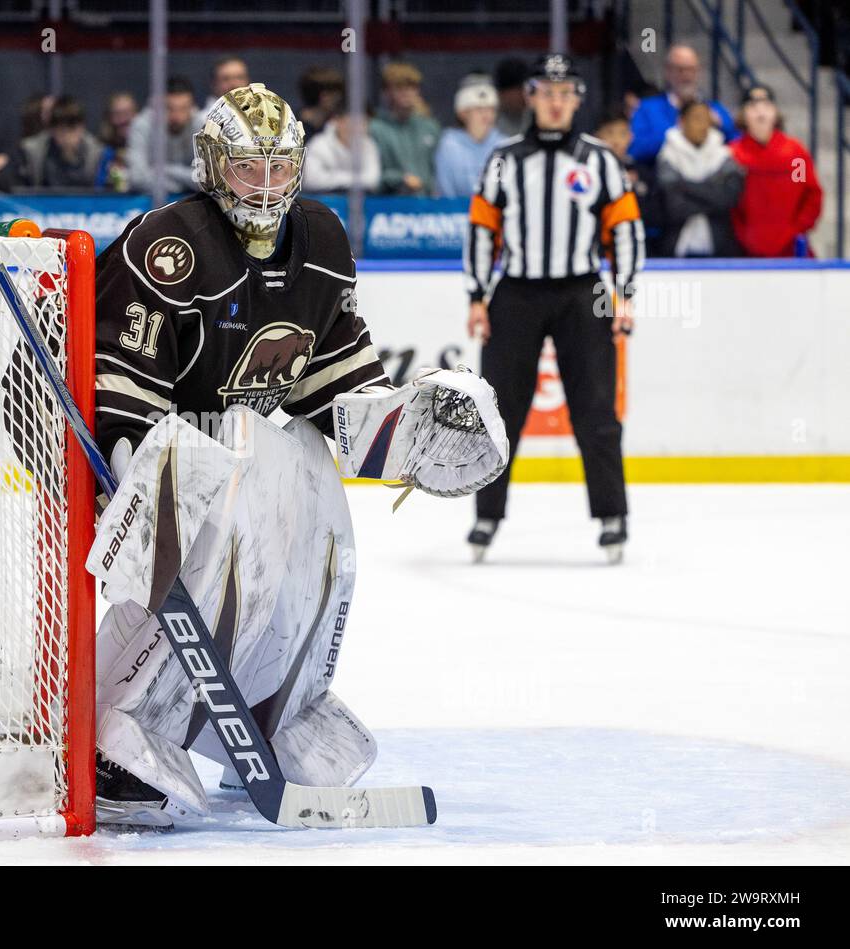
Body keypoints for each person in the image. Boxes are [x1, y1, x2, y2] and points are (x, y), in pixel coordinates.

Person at [89, 82, 505, 827]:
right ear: (213, 167)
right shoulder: (169, 244)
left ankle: (277, 707)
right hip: (125, 451)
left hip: (219, 448)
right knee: (215, 471)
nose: (269, 186)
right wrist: (130, 479)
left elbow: (333, 377)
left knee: (307, 478)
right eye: (251, 169)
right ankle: (117, 726)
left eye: (282, 168)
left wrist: (404, 429)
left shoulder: (320, 239)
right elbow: (116, 386)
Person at [464, 53, 644, 561]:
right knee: (498, 412)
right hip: (516, 294)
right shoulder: (503, 159)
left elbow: (625, 228)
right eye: (548, 92)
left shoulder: (600, 159)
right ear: (532, 97)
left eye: (567, 94)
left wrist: (625, 293)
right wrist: (477, 296)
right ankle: (486, 516)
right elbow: (482, 229)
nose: (558, 102)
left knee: (596, 410)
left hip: (582, 293)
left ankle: (612, 516)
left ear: (577, 101)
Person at [729, 84, 822, 257]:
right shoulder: (732, 155)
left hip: (790, 249)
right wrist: (742, 234)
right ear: (743, 114)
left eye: (766, 105)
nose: (760, 112)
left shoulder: (795, 154)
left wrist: (795, 229)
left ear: (775, 112)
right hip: (744, 251)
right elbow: (726, 204)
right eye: (753, 106)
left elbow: (810, 195)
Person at [654, 99, 744, 257]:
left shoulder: (724, 156)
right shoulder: (667, 157)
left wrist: (683, 186)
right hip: (675, 249)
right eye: (696, 118)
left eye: (707, 120)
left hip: (720, 248)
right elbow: (674, 208)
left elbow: (727, 200)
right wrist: (713, 193)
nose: (703, 126)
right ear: (682, 121)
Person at [628, 44, 739, 165]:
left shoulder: (714, 108)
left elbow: (737, 142)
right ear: (668, 72)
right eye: (680, 70)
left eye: (691, 69)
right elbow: (635, 149)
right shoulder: (647, 108)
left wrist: (721, 125)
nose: (686, 76)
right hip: (662, 178)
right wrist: (681, 131)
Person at [371, 61, 440, 196]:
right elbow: (371, 175)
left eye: (411, 87)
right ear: (386, 92)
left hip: (428, 206)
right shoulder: (375, 129)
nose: (406, 93)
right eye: (399, 87)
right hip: (387, 206)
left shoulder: (430, 127)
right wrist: (399, 179)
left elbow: (439, 171)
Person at [434, 73, 506, 198]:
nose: (486, 115)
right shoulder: (448, 144)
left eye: (491, 109)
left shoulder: (504, 144)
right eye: (478, 109)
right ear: (462, 113)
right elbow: (445, 191)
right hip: (455, 215)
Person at [10, 95, 102, 189]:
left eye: (72, 128)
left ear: (82, 127)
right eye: (62, 130)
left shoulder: (97, 153)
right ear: (52, 130)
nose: (67, 136)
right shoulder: (32, 151)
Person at [126, 76, 197, 194]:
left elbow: (207, 180)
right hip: (150, 204)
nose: (176, 116)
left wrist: (163, 169)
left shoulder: (202, 124)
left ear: (192, 107)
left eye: (183, 108)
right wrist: (181, 189)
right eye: (169, 108)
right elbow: (137, 178)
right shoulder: (142, 125)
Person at [301, 110, 380, 192]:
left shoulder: (369, 144)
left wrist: (331, 178)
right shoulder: (317, 144)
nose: (357, 128)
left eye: (363, 123)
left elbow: (372, 180)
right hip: (321, 200)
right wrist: (357, 179)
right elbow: (311, 181)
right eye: (352, 122)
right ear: (338, 121)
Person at [96, 91, 138, 191]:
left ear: (136, 114)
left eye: (127, 113)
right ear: (109, 117)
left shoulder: (150, 149)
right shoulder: (102, 151)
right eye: (117, 114)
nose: (123, 119)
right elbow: (98, 189)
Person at [297, 66, 345, 142]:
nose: (339, 100)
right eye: (336, 95)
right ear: (324, 97)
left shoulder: (336, 127)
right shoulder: (289, 129)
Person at [494, 57, 531, 138]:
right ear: (502, 94)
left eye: (527, 89)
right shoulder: (489, 119)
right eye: (519, 89)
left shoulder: (535, 116)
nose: (524, 95)